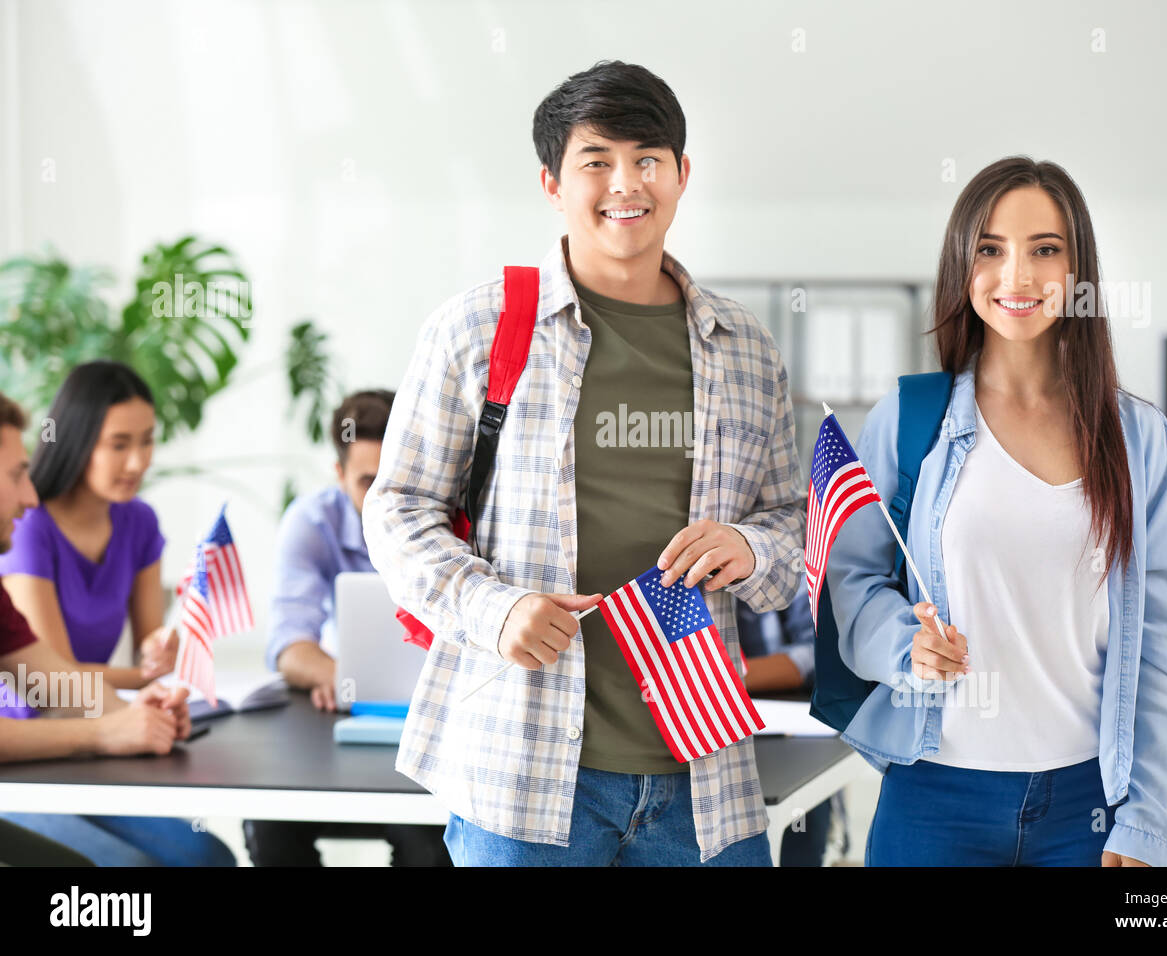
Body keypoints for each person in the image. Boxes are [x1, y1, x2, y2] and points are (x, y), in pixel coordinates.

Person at [363, 60, 805, 866]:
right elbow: (396, 511)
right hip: (522, 776)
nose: (624, 183)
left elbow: (792, 532)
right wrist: (492, 608)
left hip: (703, 780)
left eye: (647, 158)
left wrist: (752, 549)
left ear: (682, 174)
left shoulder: (747, 349)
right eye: (595, 160)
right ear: (552, 183)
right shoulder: (481, 327)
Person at [826, 157, 1167, 867]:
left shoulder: (1143, 443)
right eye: (990, 250)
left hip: (1089, 805)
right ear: (962, 267)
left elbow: (1156, 652)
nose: (1017, 278)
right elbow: (854, 587)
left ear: (1078, 271)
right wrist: (903, 644)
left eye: (1045, 250)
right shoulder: (908, 421)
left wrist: (1146, 818)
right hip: (934, 799)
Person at [0, 389, 236, 866]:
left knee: (206, 858)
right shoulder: (37, 531)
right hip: (19, 775)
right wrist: (105, 732)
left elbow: (53, 684)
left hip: (49, 757)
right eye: (16, 475)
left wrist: (140, 714)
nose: (29, 496)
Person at [244, 389, 451, 866]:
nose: (386, 500)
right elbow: (288, 644)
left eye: (399, 480)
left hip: (434, 729)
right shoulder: (310, 523)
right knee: (268, 826)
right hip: (350, 724)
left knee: (430, 844)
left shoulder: (452, 519)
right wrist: (337, 675)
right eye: (367, 482)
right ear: (338, 477)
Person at [0, 361, 178, 717]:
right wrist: (144, 678)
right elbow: (53, 682)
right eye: (118, 445)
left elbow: (147, 647)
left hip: (90, 712)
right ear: (76, 442)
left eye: (147, 441)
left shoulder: (140, 521)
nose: (137, 463)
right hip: (32, 725)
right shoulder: (28, 526)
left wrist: (158, 652)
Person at [736, 595, 836, 866]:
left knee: (801, 822)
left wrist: (726, 676)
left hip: (788, 717)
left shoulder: (791, 558)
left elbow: (819, 651)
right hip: (707, 723)